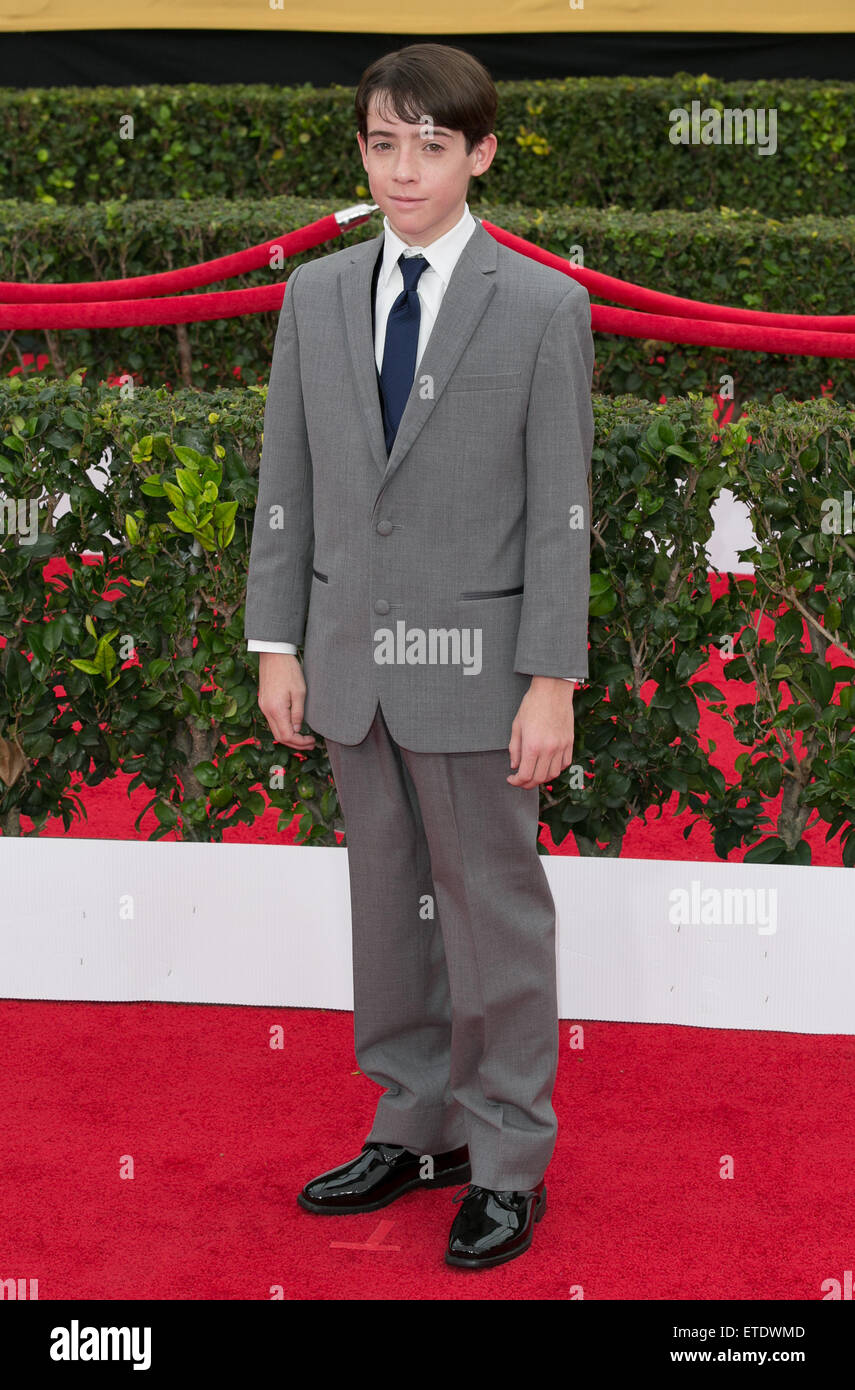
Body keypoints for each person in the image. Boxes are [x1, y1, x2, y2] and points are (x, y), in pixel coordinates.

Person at [244, 41, 594, 1270]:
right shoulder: (316, 296)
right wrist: (276, 639)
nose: (403, 170)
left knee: (495, 921)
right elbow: (287, 484)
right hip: (348, 662)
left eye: (430, 146)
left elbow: (562, 510)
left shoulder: (546, 307)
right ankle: (415, 1122)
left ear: (480, 153)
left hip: (482, 671)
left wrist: (551, 676)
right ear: (362, 149)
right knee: (388, 907)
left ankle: (505, 1158)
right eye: (383, 144)